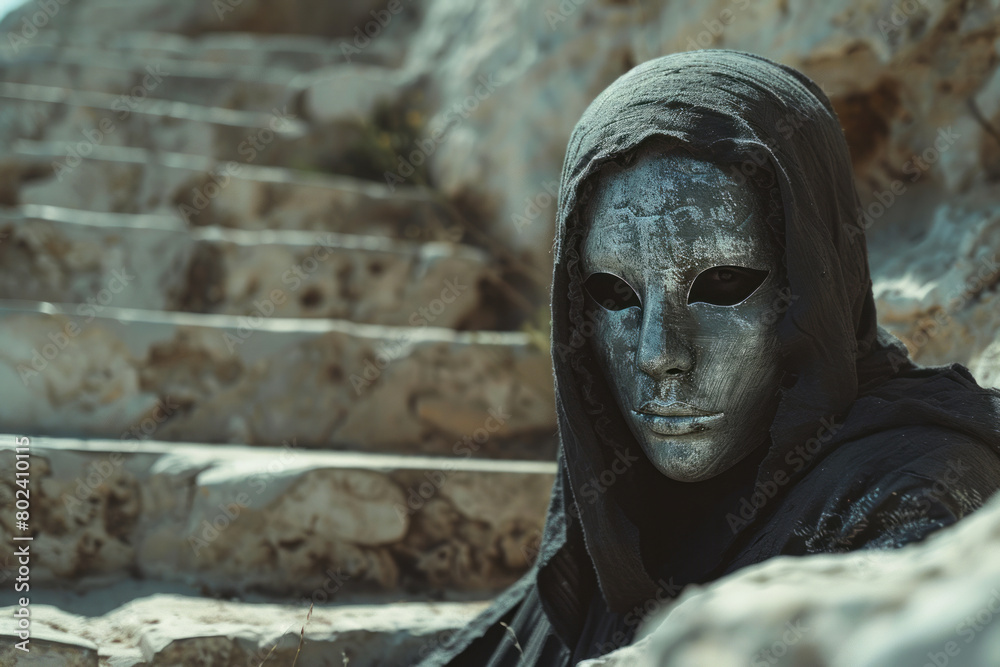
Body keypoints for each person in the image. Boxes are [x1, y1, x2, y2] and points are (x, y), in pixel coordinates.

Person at [416, 49, 1000, 666]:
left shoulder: (914, 496)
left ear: (815, 279)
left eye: (721, 285)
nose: (659, 355)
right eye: (613, 294)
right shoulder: (619, 519)